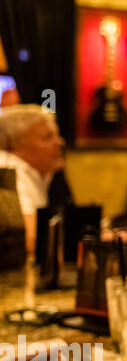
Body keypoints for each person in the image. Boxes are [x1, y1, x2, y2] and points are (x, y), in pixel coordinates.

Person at [0, 105, 64, 253]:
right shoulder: (8, 167)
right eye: (47, 137)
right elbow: (28, 239)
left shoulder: (30, 171)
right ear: (14, 144)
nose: (59, 142)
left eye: (57, 135)